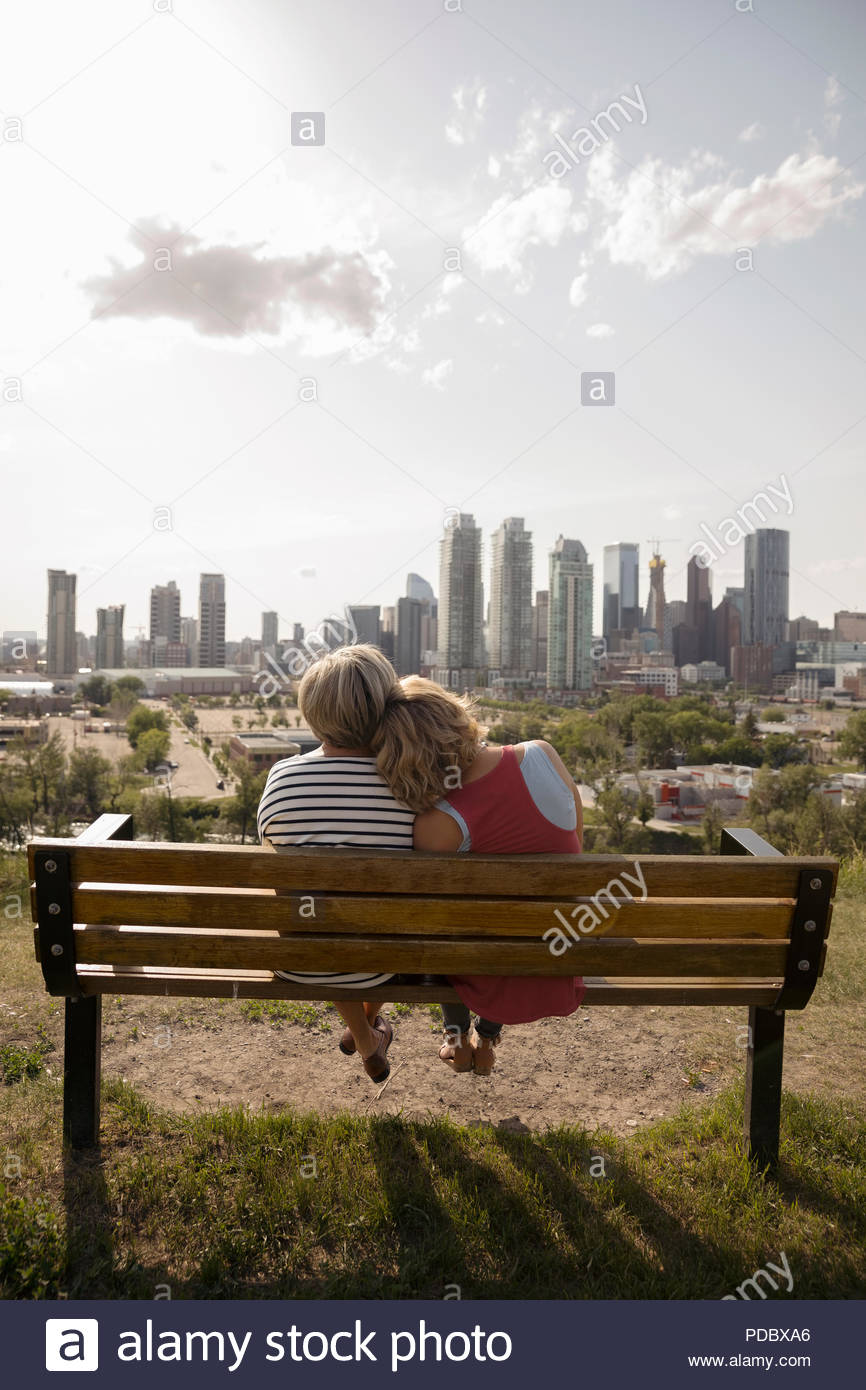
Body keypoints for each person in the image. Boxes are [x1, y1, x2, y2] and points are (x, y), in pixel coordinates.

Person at [257, 644, 417, 1083]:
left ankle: (366, 1038)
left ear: (312, 710)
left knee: (320, 914)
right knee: (377, 920)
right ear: (388, 708)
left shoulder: (282, 778)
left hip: (300, 959)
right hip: (383, 959)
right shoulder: (409, 784)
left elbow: (274, 853)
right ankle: (367, 1032)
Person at [405, 686, 585, 1076]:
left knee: (446, 930)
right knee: (505, 925)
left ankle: (457, 1042)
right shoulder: (543, 755)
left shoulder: (437, 823)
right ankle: (486, 1040)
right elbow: (577, 852)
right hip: (556, 963)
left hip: (486, 969)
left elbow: (427, 911)